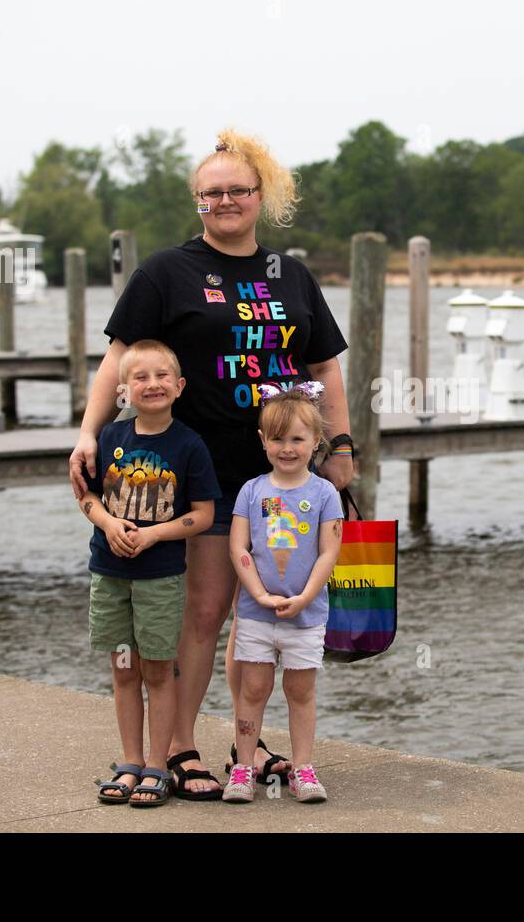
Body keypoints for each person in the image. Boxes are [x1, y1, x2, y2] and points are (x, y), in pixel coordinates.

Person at [68, 129, 356, 800]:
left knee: (256, 614)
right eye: (211, 193)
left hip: (282, 473)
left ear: (260, 196)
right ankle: (180, 747)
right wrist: (88, 433)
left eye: (237, 190)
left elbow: (324, 368)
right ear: (197, 202)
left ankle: (244, 746)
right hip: (197, 466)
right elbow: (118, 357)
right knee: (204, 610)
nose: (225, 201)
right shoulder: (167, 273)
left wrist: (339, 447)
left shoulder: (290, 275)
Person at [85, 340, 221, 806]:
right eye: (140, 377)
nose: (152, 384)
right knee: (124, 670)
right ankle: (130, 762)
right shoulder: (108, 438)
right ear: (123, 390)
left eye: (162, 376)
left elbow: (203, 515)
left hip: (160, 578)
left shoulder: (189, 445)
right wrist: (108, 522)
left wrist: (154, 534)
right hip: (109, 572)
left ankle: (159, 766)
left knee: (159, 671)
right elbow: (87, 497)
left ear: (179, 386)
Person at [224, 383, 343, 803]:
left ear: (315, 442)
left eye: (297, 439)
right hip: (257, 615)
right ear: (263, 441)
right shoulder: (252, 491)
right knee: (252, 690)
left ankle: (303, 768)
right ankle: (242, 767)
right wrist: (258, 594)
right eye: (278, 439)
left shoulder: (325, 493)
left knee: (301, 691)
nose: (287, 448)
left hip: (306, 616)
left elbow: (329, 552)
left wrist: (307, 597)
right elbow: (239, 548)